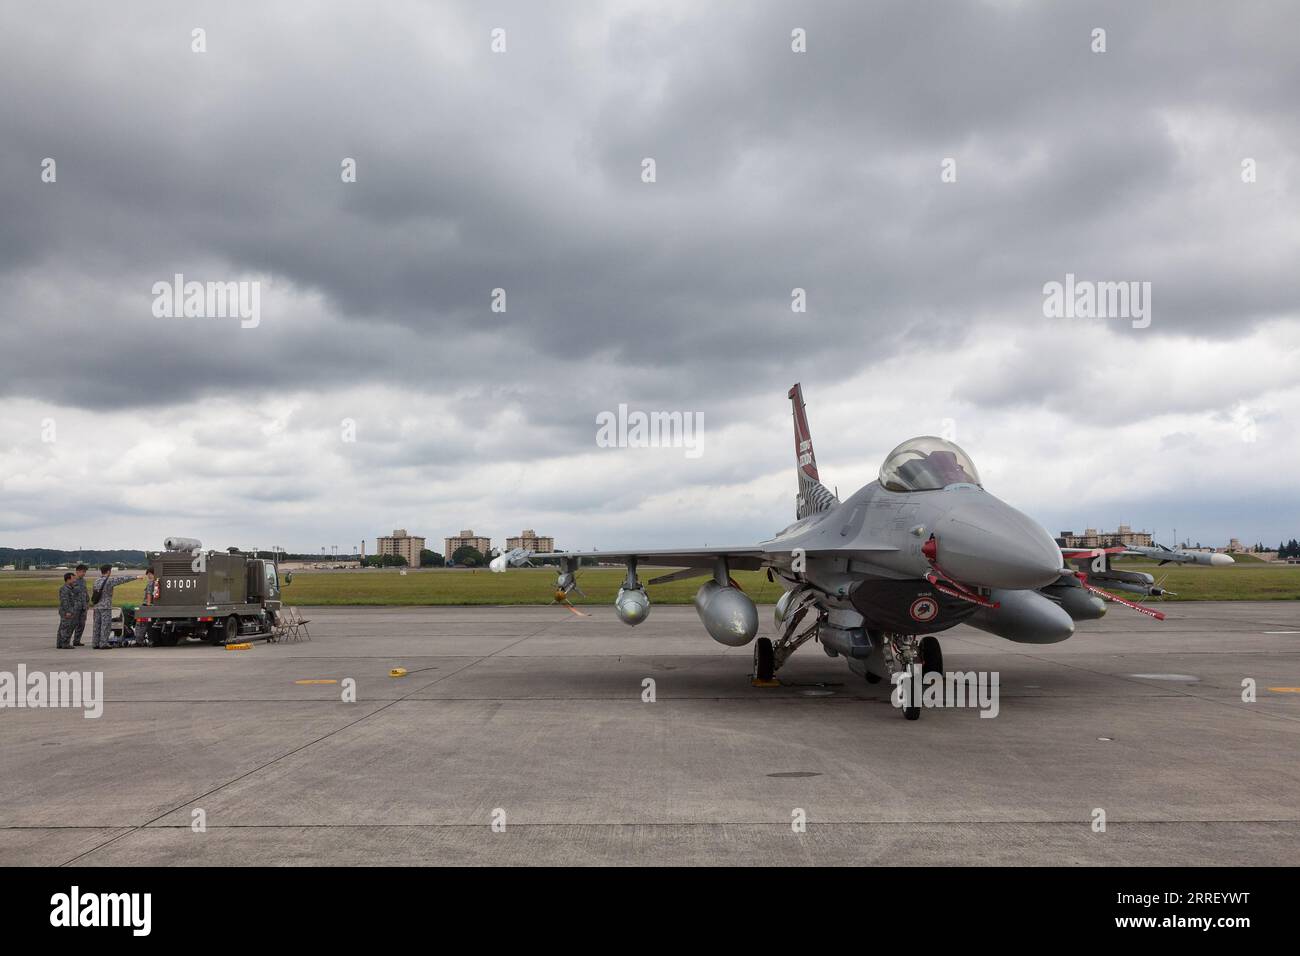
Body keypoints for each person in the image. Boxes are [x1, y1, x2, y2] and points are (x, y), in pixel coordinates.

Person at [90, 564, 139, 649]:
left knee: (97, 625)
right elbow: (121, 579)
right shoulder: (109, 581)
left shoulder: (97, 581)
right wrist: (135, 577)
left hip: (97, 606)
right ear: (108, 571)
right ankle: (103, 644)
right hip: (105, 607)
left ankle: (95, 643)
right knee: (105, 625)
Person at [70, 564, 90, 646]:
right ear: (77, 571)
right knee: (72, 624)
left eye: (85, 572)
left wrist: (87, 602)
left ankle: (77, 641)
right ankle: (65, 641)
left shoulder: (83, 581)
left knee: (81, 624)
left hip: (83, 606)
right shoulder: (72, 581)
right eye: (82, 572)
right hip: (75, 607)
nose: (84, 573)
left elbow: (85, 592)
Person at [57, 572, 78, 648]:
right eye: (73, 579)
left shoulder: (70, 588)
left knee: (62, 627)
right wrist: (68, 611)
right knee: (66, 628)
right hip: (66, 611)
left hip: (67, 610)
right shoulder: (65, 589)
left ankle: (60, 643)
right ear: (68, 579)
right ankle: (65, 644)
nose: (75, 580)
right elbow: (64, 601)